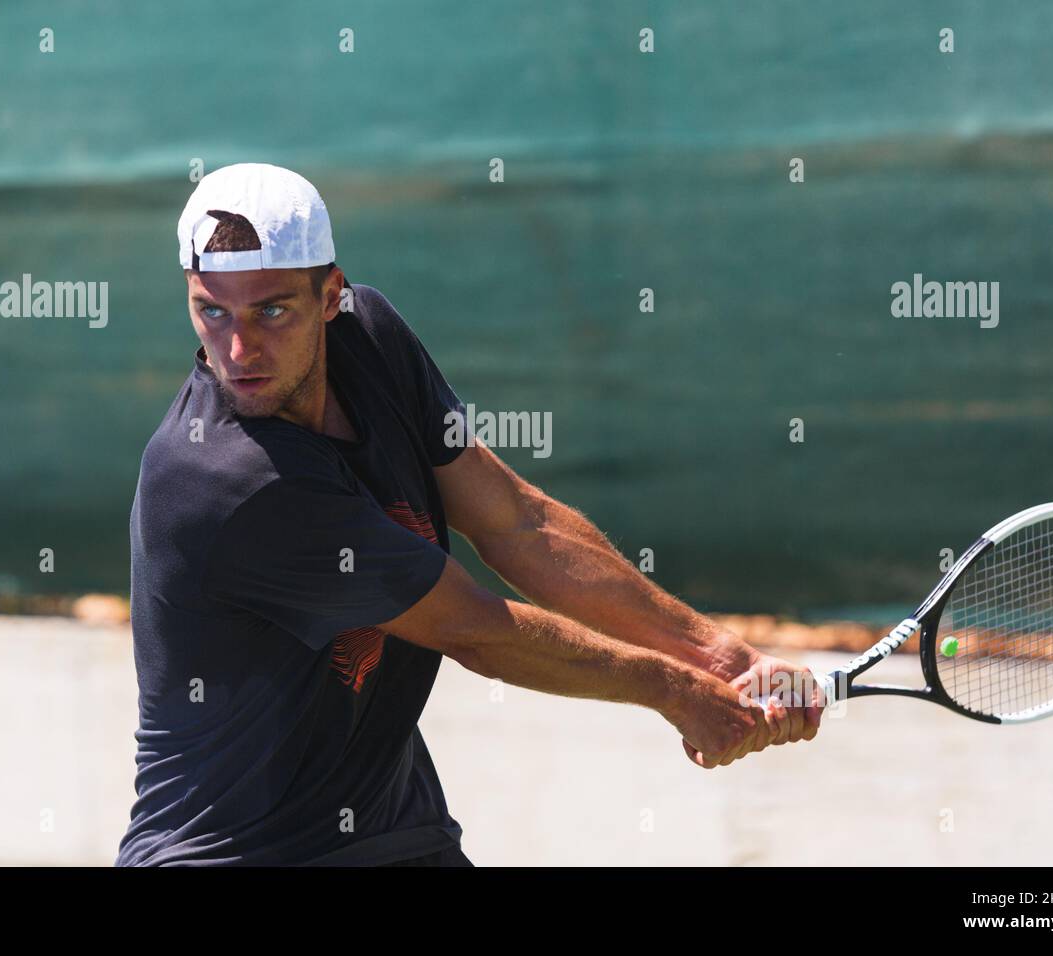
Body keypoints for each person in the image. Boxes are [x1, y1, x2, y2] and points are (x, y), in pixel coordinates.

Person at [115, 163, 823, 867]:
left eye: (272, 310)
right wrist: (675, 689)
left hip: (392, 833)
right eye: (212, 310)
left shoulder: (372, 341)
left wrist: (724, 661)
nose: (239, 350)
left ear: (331, 295)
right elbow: (478, 631)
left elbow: (517, 524)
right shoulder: (228, 481)